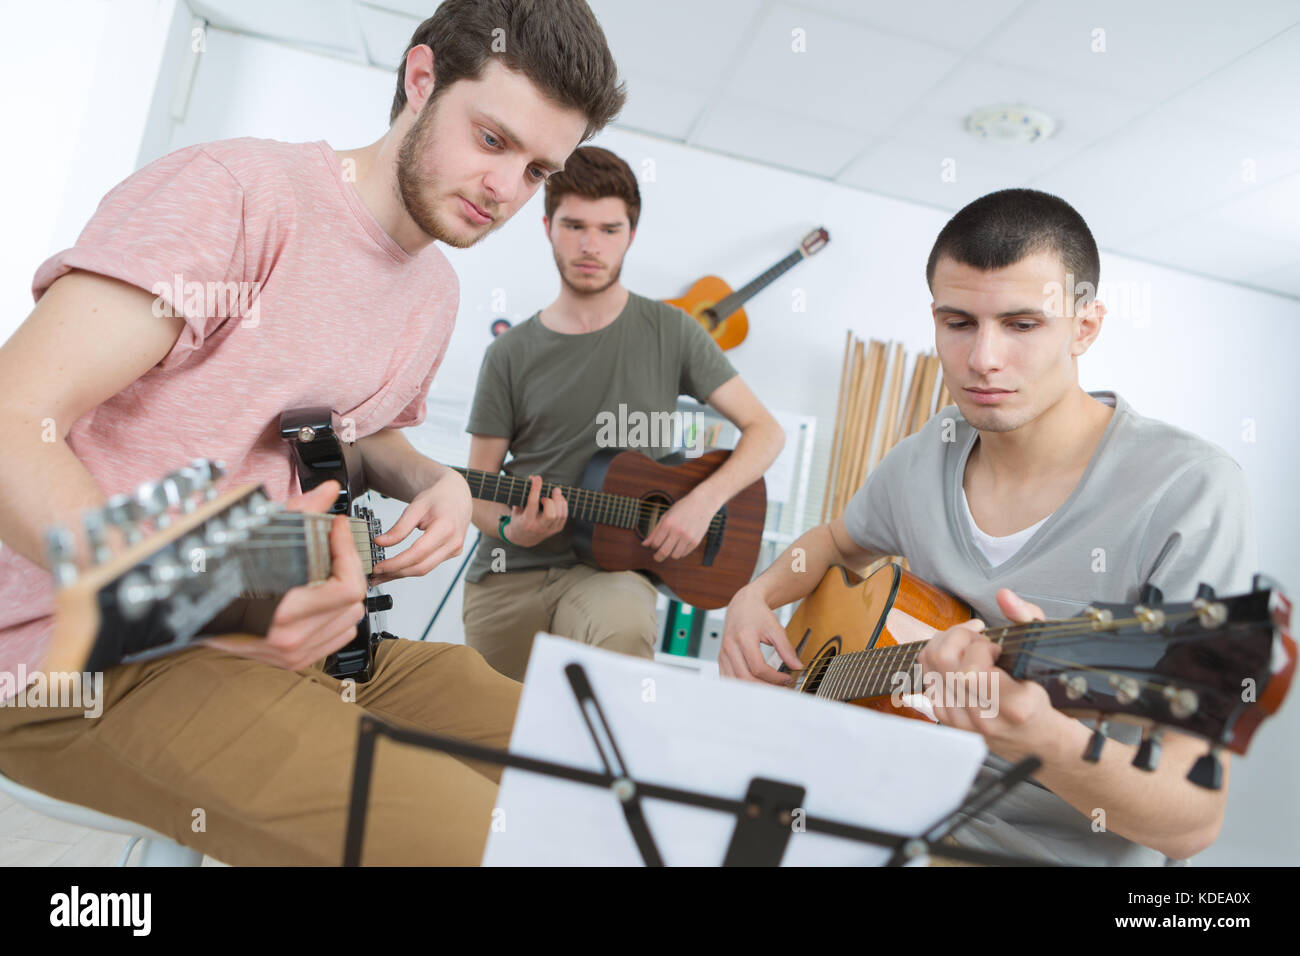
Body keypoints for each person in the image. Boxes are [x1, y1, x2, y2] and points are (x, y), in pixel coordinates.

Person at [0, 0, 625, 865]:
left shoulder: (433, 293)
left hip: (302, 639)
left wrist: (430, 479)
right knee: (490, 847)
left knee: (605, 775)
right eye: (492, 141)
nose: (506, 190)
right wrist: (217, 597)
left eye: (536, 171)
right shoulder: (236, 195)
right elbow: (12, 420)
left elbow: (349, 433)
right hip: (87, 656)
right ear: (420, 80)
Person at [720, 188, 1256, 866]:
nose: (982, 360)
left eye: (1023, 324)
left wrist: (1045, 740)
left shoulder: (1188, 491)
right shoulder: (928, 451)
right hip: (858, 810)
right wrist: (755, 596)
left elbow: (1191, 823)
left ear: (1085, 328)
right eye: (959, 322)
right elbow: (832, 542)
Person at [460, 146, 785, 681]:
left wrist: (702, 503)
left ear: (631, 235)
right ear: (547, 227)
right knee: (493, 736)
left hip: (612, 572)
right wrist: (512, 530)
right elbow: (477, 488)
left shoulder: (673, 330)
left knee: (622, 642)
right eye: (575, 226)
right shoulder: (509, 354)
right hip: (509, 572)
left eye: (609, 229)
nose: (591, 246)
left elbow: (766, 432)